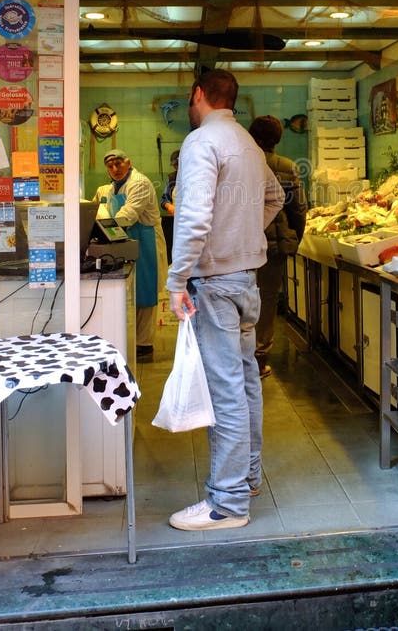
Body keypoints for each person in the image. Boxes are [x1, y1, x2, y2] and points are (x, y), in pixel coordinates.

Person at [166, 69, 285, 531]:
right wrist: (244, 231)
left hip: (215, 284)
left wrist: (178, 281)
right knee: (246, 380)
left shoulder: (201, 142)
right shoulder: (248, 143)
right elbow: (275, 196)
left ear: (198, 95)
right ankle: (248, 477)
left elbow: (193, 217)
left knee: (226, 390)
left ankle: (229, 503)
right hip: (246, 280)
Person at [248, 115, 308, 379]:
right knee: (268, 300)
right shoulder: (286, 166)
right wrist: (294, 237)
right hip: (274, 245)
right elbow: (298, 208)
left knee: (241, 299)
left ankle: (238, 359)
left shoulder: (243, 163)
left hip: (242, 245)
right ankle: (259, 360)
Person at [94, 149, 168, 359]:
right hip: (125, 239)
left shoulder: (139, 183)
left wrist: (105, 230)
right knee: (131, 292)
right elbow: (102, 208)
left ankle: (144, 344)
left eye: (119, 164)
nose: (115, 169)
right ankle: (131, 340)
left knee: (146, 292)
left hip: (146, 240)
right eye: (110, 166)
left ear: (129, 163)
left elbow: (128, 215)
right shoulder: (109, 189)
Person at [160, 149, 179, 216]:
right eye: (175, 165)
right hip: (177, 219)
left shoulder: (196, 177)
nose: (176, 167)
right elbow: (164, 200)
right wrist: (169, 206)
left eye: (178, 164)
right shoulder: (172, 178)